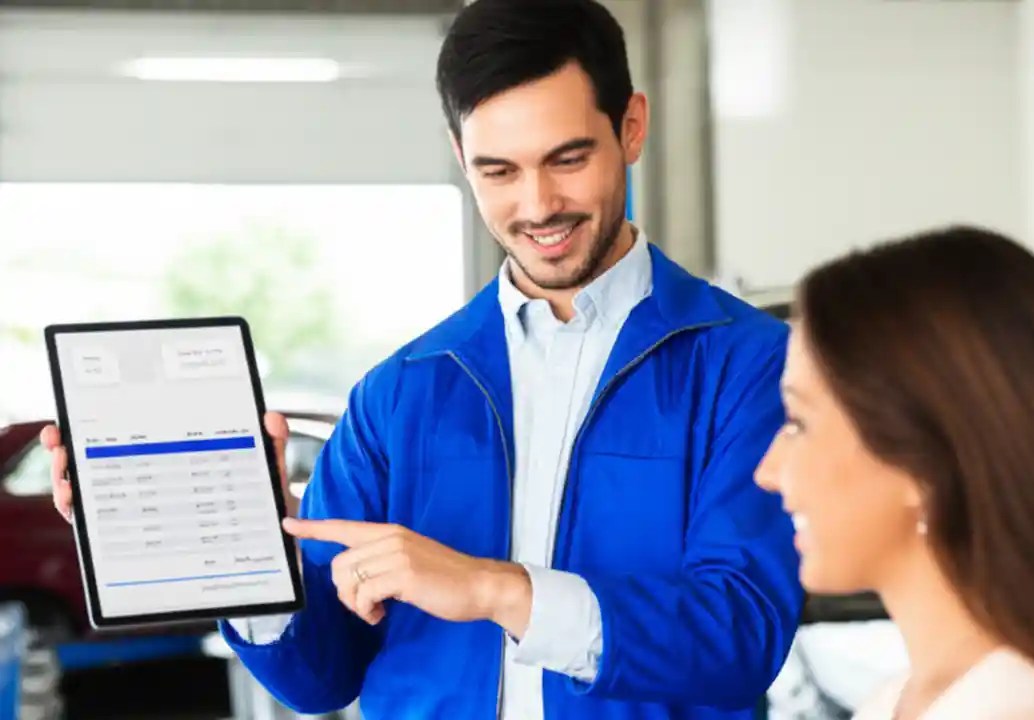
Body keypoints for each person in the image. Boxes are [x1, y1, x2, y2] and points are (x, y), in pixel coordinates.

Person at [41, 0, 803, 717]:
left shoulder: (752, 366)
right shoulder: (398, 395)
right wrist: (245, 553)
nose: (537, 206)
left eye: (567, 159)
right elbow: (320, 676)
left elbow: (740, 634)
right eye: (497, 171)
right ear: (459, 154)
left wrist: (491, 589)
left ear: (631, 127)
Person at [753, 226, 1034, 719]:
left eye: (797, 423)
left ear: (923, 461)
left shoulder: (1017, 707)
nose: (769, 471)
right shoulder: (907, 701)